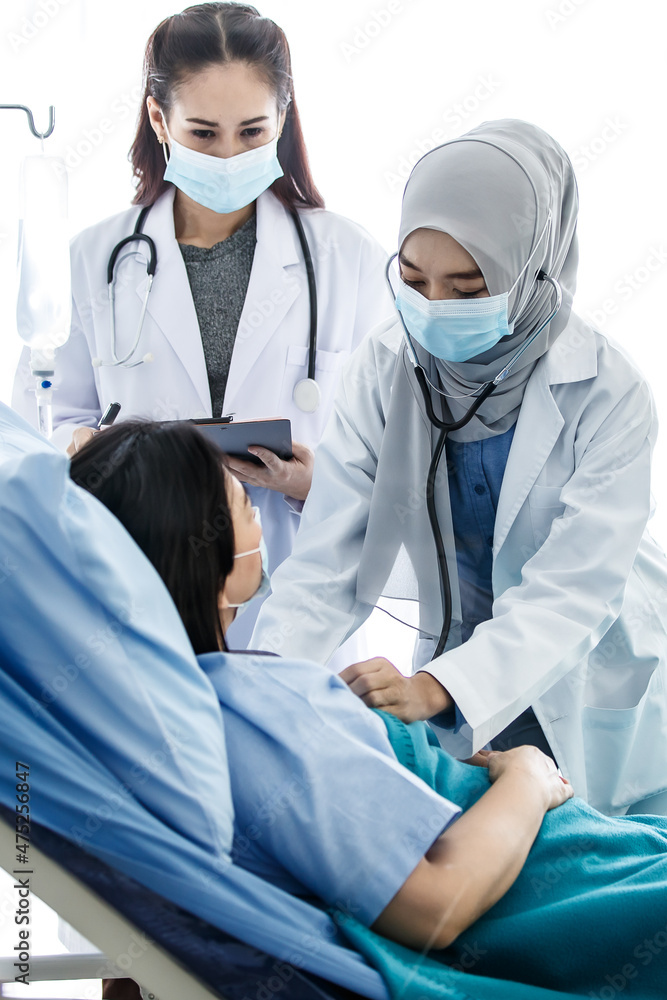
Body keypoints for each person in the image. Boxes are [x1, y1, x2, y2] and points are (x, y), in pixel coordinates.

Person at [69, 418, 667, 1000]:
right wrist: (529, 777)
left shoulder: (184, 713)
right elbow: (438, 904)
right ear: (205, 563)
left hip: (582, 859)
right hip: (568, 885)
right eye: (243, 504)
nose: (257, 513)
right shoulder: (246, 710)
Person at [251, 118, 667, 818]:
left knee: (618, 875)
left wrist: (436, 689)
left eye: (468, 288)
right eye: (413, 281)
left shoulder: (606, 390)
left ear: (532, 269)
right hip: (462, 679)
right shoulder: (385, 368)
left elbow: (571, 594)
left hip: (601, 676)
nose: (432, 311)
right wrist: (262, 685)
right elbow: (329, 562)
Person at [11, 1, 393, 655]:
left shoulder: (347, 258)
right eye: (203, 134)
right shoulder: (92, 258)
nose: (228, 157)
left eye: (251, 132)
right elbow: (33, 424)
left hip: (298, 590)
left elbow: (398, 448)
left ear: (283, 116)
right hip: (137, 574)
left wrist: (313, 482)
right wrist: (83, 445)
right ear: (159, 120)